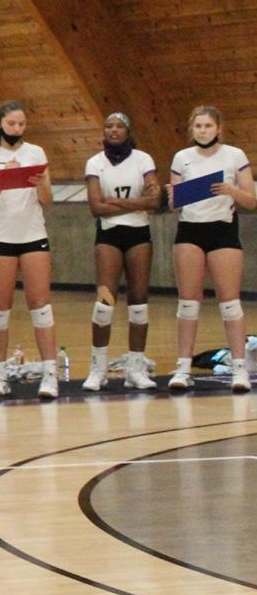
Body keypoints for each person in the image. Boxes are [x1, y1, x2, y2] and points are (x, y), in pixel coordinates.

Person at [165, 106, 254, 392]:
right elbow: (174, 204)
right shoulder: (182, 158)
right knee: (188, 302)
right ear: (192, 129)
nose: (203, 130)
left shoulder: (234, 156)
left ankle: (239, 368)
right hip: (190, 230)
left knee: (229, 302)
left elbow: (251, 200)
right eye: (198, 126)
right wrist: (173, 195)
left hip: (222, 230)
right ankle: (182, 367)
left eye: (208, 125)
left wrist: (231, 191)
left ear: (218, 128)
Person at [0, 100, 58, 399]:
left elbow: (47, 199)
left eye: (21, 124)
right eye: (11, 124)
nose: (17, 129)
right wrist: (3, 178)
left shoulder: (35, 152)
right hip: (0, 237)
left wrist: (38, 183)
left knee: (40, 304)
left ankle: (50, 373)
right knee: (0, 305)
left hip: (33, 234)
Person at [81, 113, 160, 391]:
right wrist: (134, 203)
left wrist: (115, 201)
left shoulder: (143, 160)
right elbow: (96, 207)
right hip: (109, 235)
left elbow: (154, 199)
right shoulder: (95, 162)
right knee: (105, 300)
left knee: (138, 300)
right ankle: (97, 367)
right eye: (109, 126)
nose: (114, 131)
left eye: (120, 126)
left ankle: (136, 368)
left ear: (128, 131)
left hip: (138, 234)